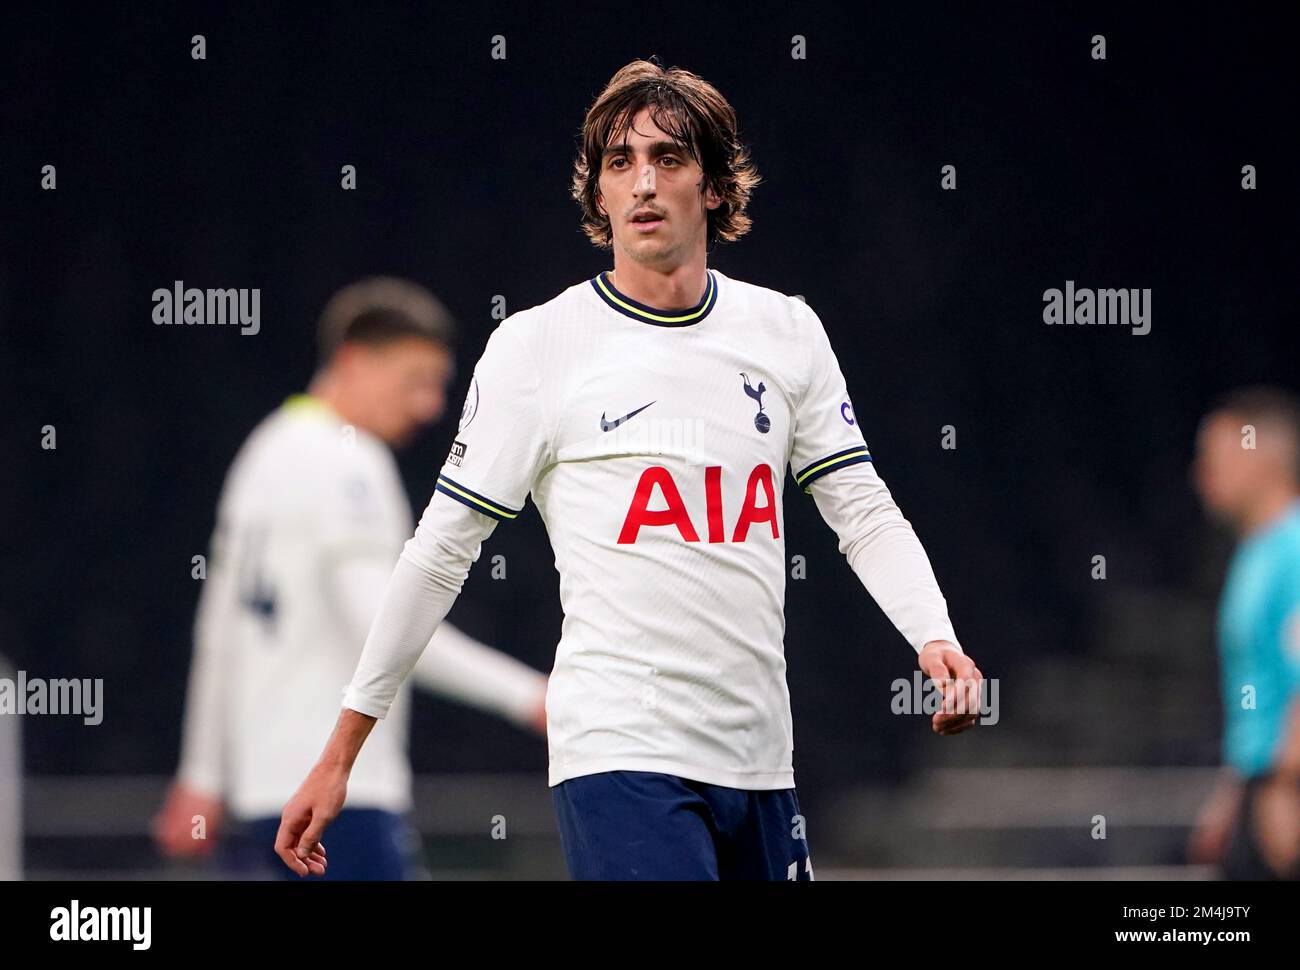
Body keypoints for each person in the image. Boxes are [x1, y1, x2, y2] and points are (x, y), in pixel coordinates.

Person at [278, 59, 982, 882]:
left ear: (716, 188)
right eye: (620, 163)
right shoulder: (539, 348)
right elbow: (438, 552)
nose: (644, 182)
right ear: (599, 194)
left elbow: (859, 506)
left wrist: (933, 633)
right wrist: (340, 753)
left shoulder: (786, 332)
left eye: (670, 159)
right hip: (619, 753)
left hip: (761, 760)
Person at [154, 277, 549, 880]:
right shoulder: (349, 462)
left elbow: (219, 631)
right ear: (355, 361)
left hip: (261, 799)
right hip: (340, 798)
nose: (429, 407)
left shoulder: (264, 450)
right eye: (415, 382)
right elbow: (385, 626)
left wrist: (201, 773)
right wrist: (530, 697)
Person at [1189, 386, 1300, 879]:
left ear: (1266, 457)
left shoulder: (1294, 546)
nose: (1203, 473)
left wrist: (1286, 786)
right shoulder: (1256, 549)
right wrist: (1232, 797)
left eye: (1217, 456)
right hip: (1261, 782)